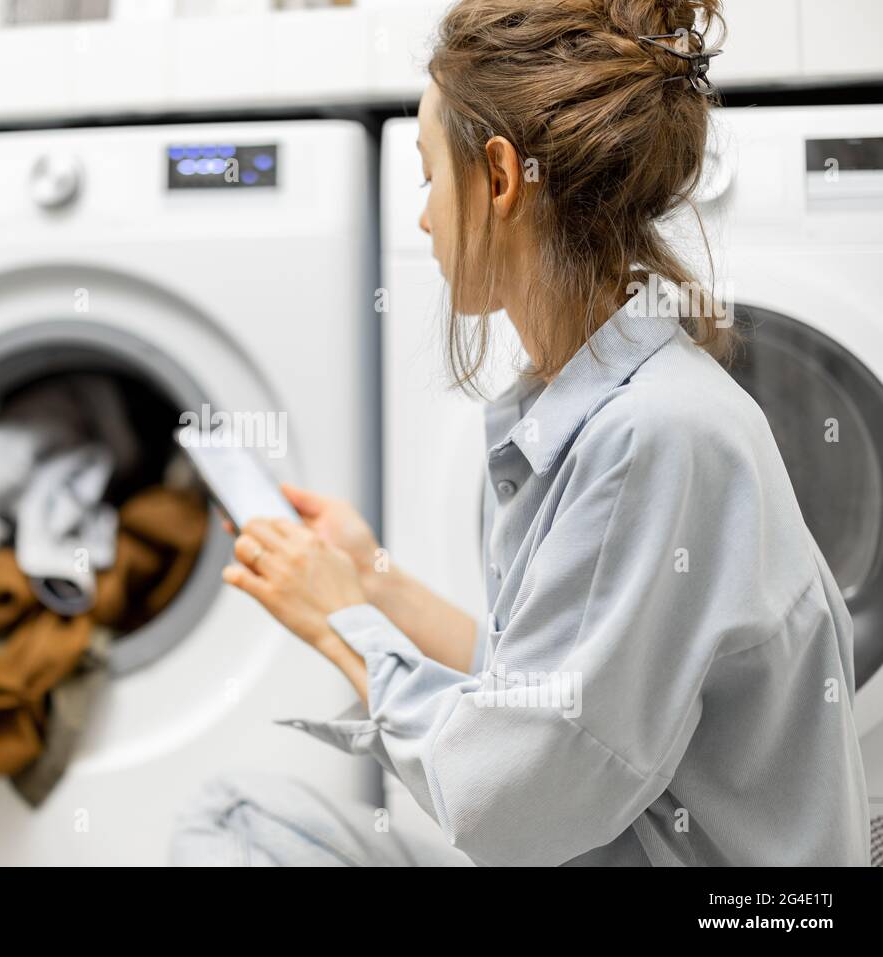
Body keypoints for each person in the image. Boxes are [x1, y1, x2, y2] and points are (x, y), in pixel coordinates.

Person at [169, 0, 871, 866]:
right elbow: (543, 698)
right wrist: (372, 578)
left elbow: (503, 806)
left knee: (233, 833)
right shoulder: (605, 406)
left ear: (500, 179)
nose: (424, 218)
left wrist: (341, 619)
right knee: (235, 814)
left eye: (429, 177)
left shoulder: (655, 435)